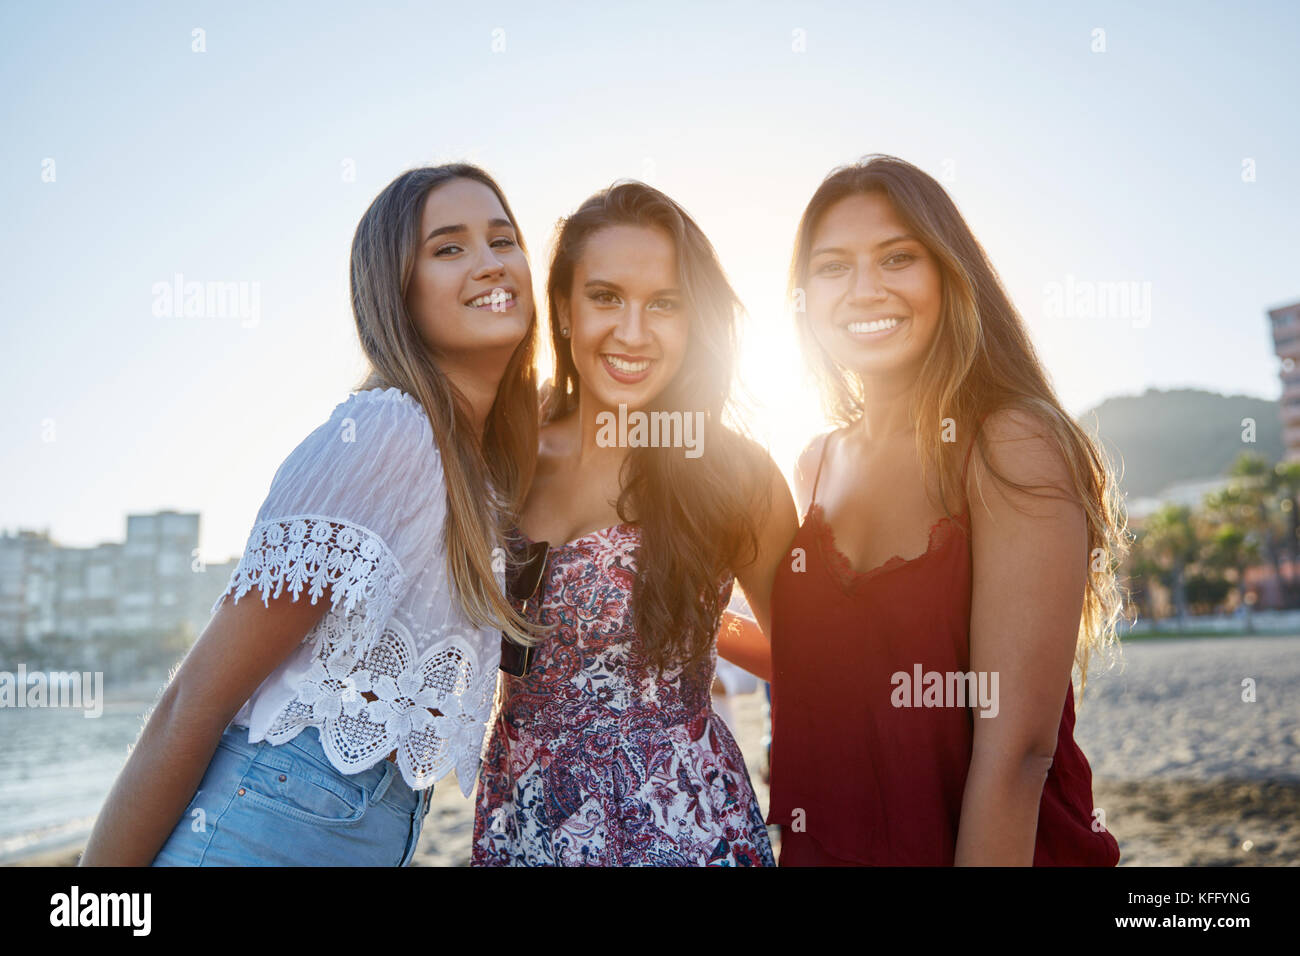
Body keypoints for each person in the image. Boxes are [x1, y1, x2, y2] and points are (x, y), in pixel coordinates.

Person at [79, 163, 540, 866]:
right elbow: (194, 701)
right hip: (257, 827)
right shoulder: (389, 432)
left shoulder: (482, 475)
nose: (489, 264)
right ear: (398, 291)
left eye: (503, 240)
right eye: (449, 248)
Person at [767, 155, 1125, 866]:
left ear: (948, 274)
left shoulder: (1011, 443)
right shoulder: (813, 466)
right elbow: (834, 663)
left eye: (897, 257)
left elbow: (1018, 752)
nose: (864, 289)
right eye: (833, 267)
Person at [471, 181, 797, 866]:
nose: (633, 332)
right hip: (522, 818)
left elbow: (807, 659)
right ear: (562, 307)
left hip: (686, 829)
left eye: (665, 304)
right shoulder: (503, 449)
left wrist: (693, 627)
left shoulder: (734, 472)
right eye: (605, 297)